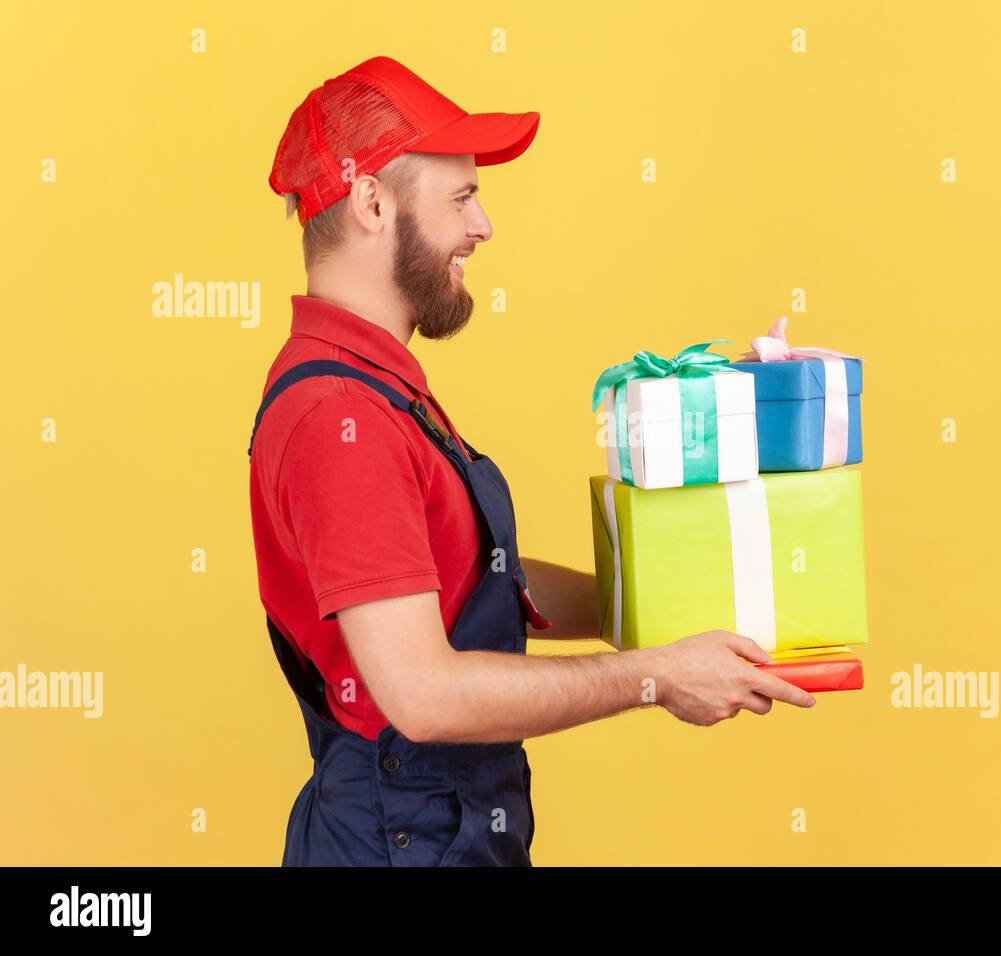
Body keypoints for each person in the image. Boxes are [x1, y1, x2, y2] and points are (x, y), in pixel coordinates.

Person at [247, 55, 815, 867]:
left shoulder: (375, 390)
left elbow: (472, 579)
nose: (483, 229)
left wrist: (686, 609)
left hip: (437, 829)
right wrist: (657, 676)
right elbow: (424, 693)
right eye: (463, 197)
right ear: (372, 201)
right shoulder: (342, 416)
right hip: (397, 838)